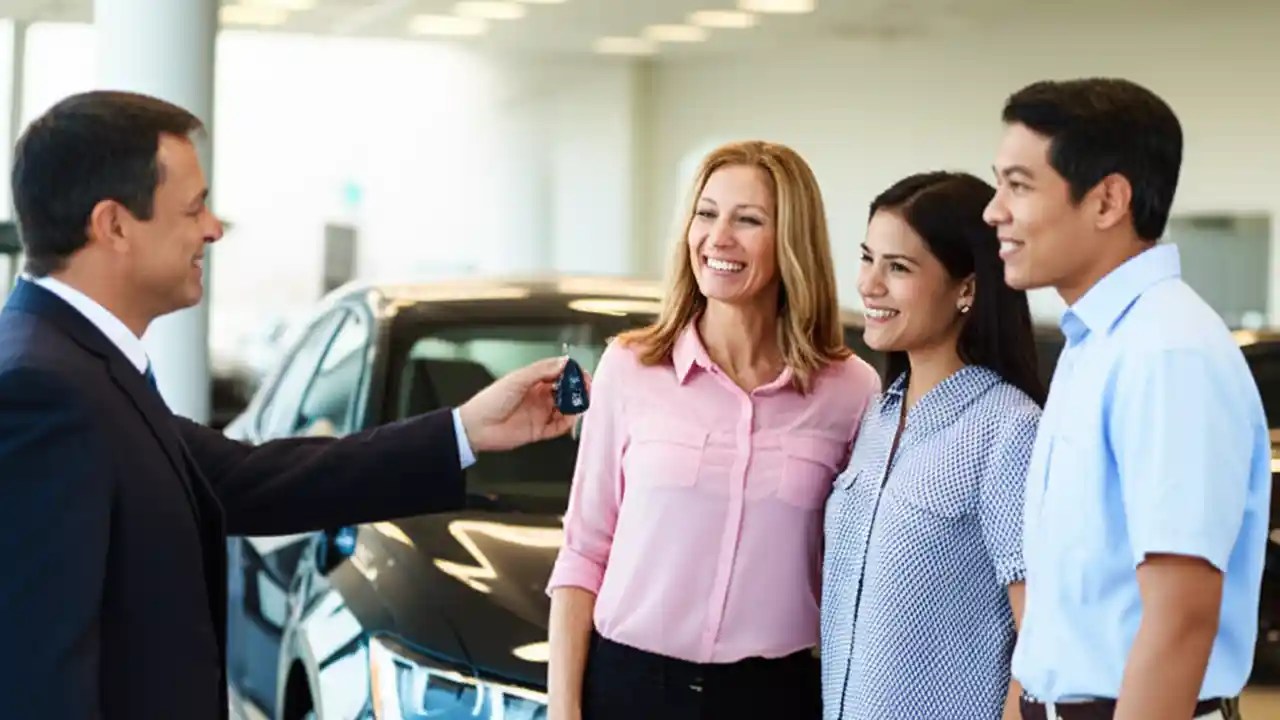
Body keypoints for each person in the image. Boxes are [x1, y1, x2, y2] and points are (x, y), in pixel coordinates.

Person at [0, 90, 581, 720]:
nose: (213, 228)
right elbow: (38, 669)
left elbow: (250, 479)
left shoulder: (79, 368)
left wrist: (466, 429)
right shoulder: (43, 391)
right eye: (194, 208)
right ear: (113, 225)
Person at [544, 140, 881, 720]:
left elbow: (857, 571)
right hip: (628, 688)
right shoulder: (631, 369)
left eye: (747, 220)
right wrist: (563, 711)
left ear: (791, 242)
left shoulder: (851, 391)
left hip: (775, 697)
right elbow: (582, 551)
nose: (718, 237)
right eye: (706, 214)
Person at [985, 78, 1270, 720]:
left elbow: (1180, 621)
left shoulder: (1168, 353)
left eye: (1019, 186)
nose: (993, 211)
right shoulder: (1097, 342)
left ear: (1108, 199)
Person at [820, 171, 1045, 720]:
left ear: (966, 288)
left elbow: (1042, 640)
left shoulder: (1009, 429)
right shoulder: (877, 416)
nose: (870, 284)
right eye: (868, 258)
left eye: (897, 268)